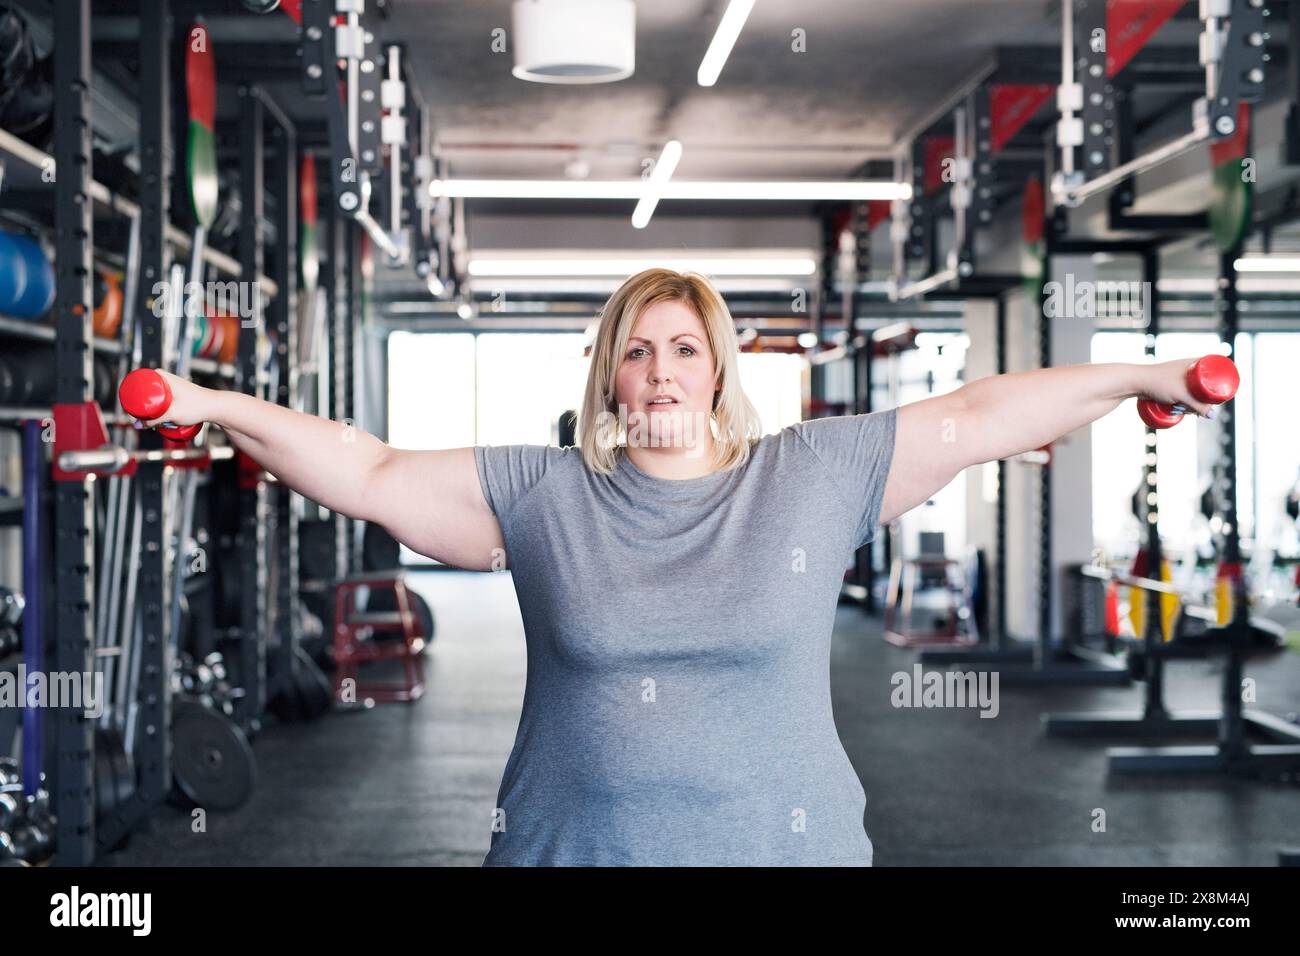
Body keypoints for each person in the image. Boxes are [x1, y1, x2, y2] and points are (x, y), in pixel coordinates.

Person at [136, 267, 1223, 866]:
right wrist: (211, 406)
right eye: (637, 348)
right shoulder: (541, 492)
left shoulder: (812, 474)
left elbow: (982, 410)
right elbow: (364, 465)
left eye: (685, 348)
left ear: (718, 373)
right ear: (610, 373)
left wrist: (1146, 371)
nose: (660, 369)